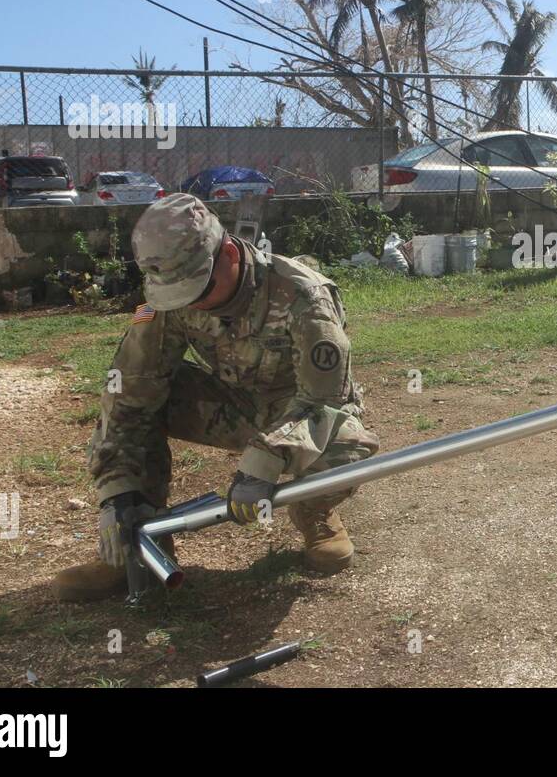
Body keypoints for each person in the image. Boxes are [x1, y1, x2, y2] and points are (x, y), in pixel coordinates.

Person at [52, 193, 380, 602]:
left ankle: (314, 511)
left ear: (226, 253)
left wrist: (263, 461)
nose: (191, 303)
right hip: (228, 405)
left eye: (198, 288)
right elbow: (130, 387)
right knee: (135, 396)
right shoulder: (168, 296)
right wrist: (117, 494)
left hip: (296, 409)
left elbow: (324, 402)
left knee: (348, 439)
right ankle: (141, 540)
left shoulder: (303, 296)